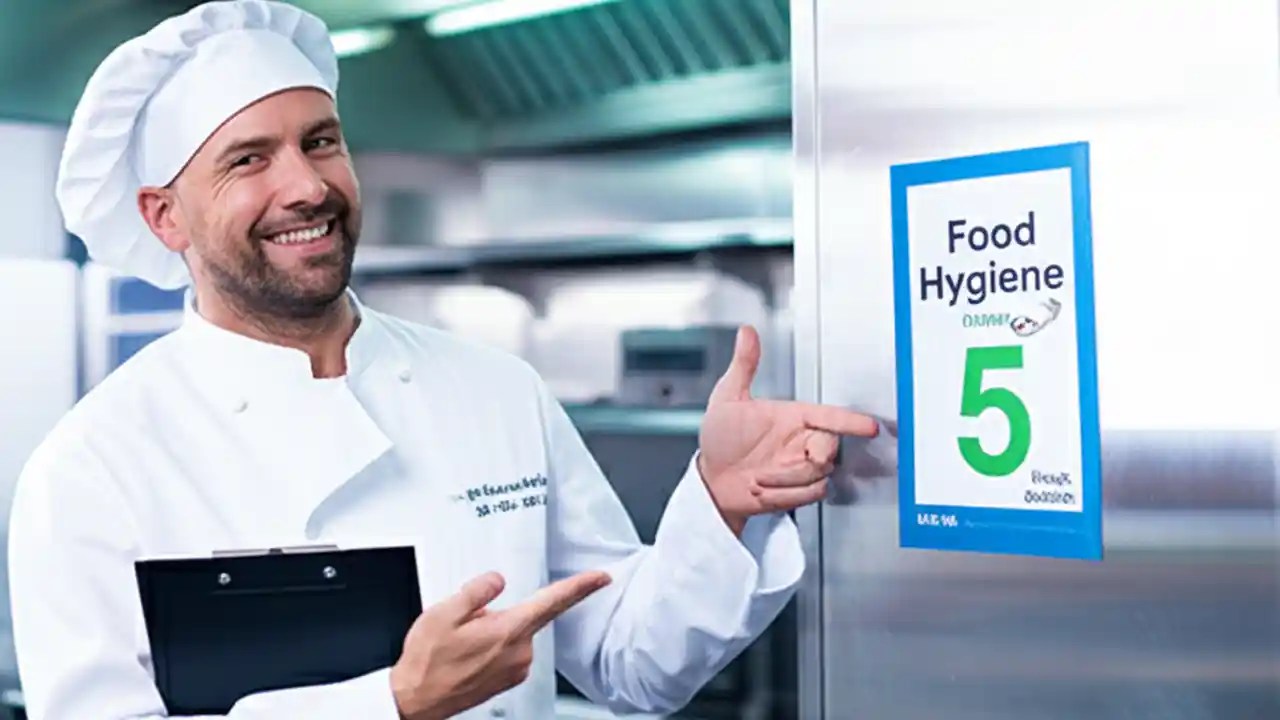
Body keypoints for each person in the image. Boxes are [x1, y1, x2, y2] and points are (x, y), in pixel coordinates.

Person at [6, 2, 878, 718]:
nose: (306, 186)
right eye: (249, 160)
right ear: (166, 217)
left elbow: (628, 662)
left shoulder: (494, 390)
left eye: (320, 140)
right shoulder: (95, 466)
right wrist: (391, 703)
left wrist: (720, 507)